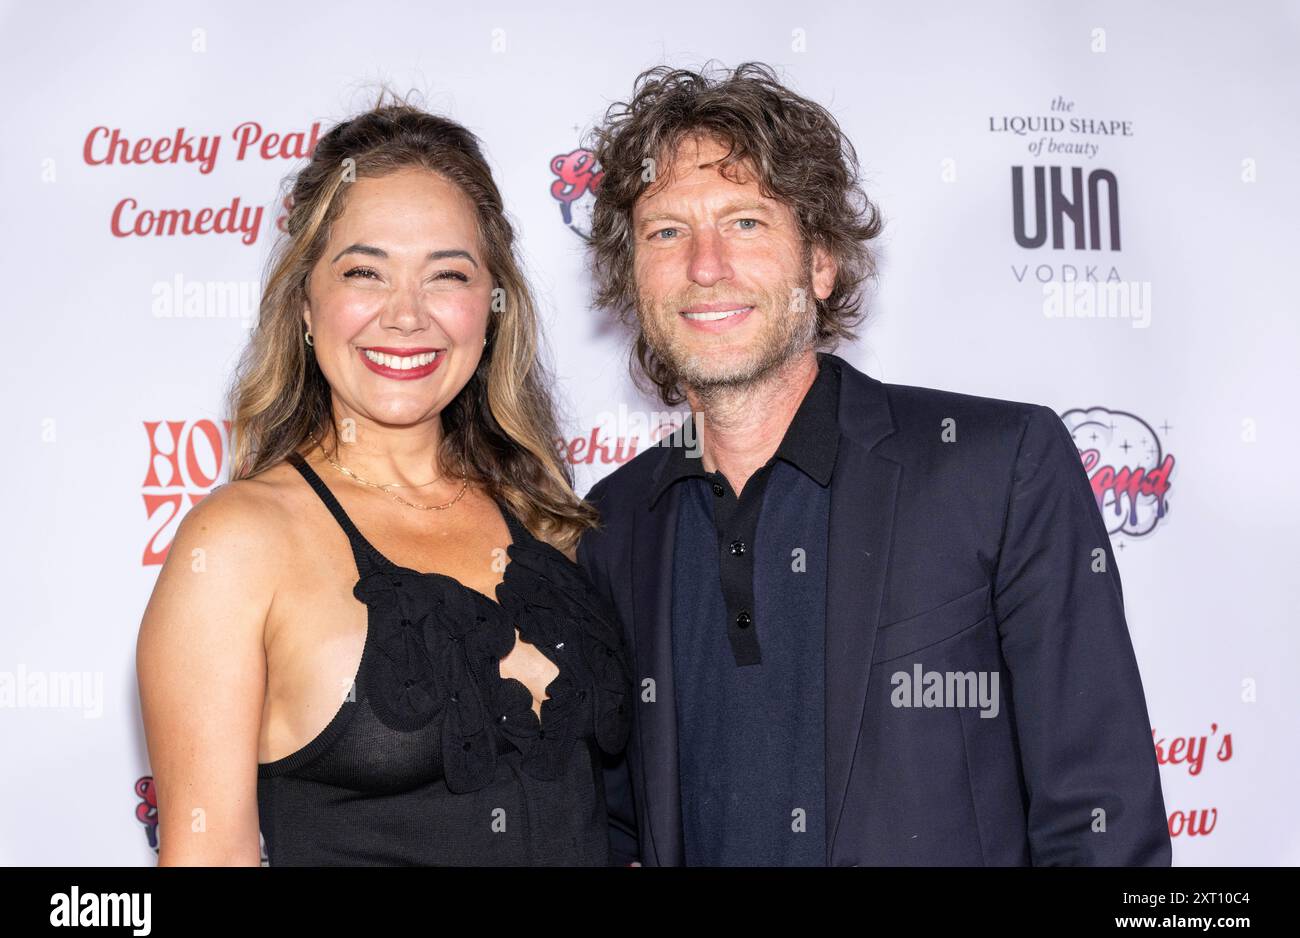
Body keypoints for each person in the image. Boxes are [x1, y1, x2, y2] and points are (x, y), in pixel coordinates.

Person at [577, 62, 1171, 866]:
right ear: (633, 277)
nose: (705, 264)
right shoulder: (613, 526)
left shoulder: (997, 469)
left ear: (819, 263)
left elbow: (1101, 816)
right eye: (666, 231)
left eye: (746, 222)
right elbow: (612, 827)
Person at [136, 97, 632, 866]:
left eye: (448, 275)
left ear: (492, 308)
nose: (407, 317)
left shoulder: (543, 513)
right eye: (365, 272)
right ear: (306, 303)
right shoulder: (238, 545)